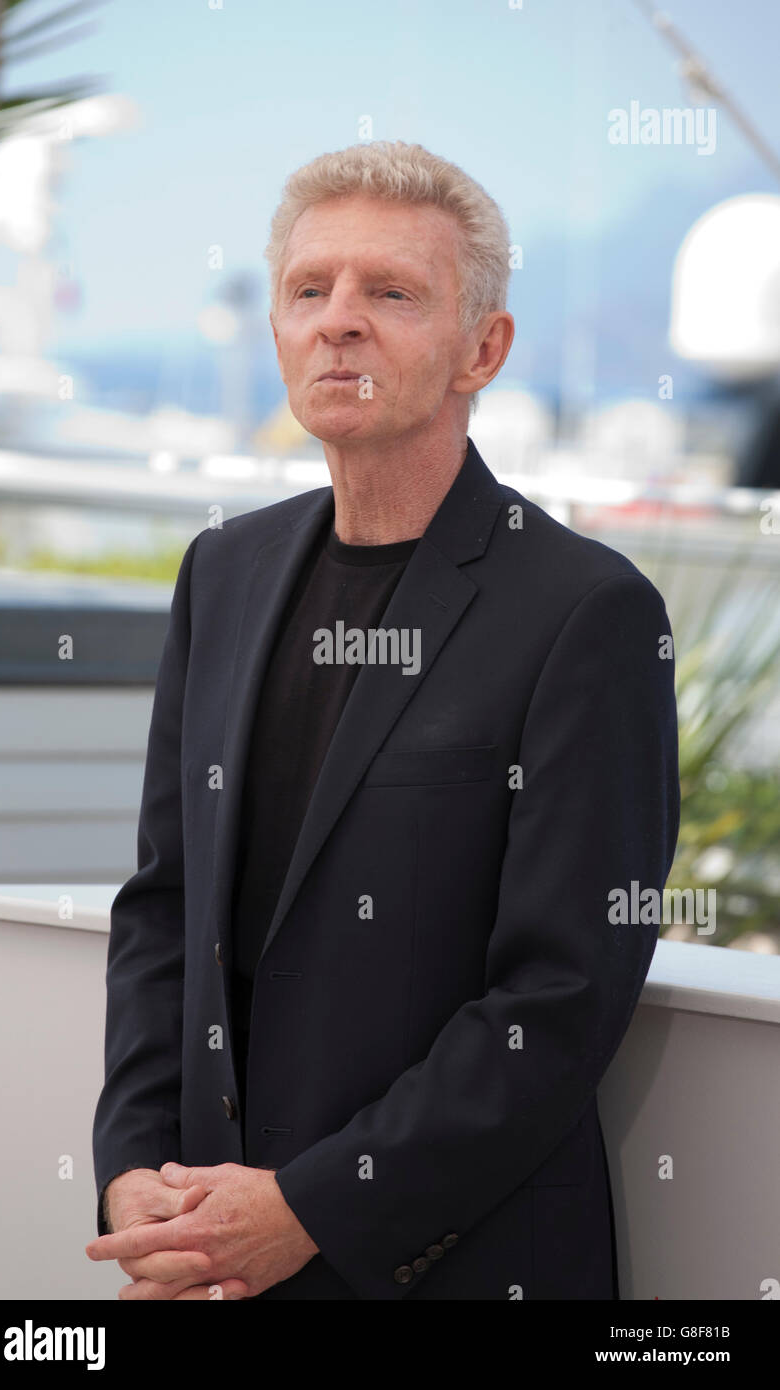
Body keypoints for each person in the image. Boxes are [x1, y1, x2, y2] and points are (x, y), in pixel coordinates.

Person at [88, 140, 680, 1300]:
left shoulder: (587, 612)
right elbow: (163, 911)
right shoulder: (224, 570)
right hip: (204, 1260)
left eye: (392, 293)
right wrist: (132, 1174)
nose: (339, 322)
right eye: (310, 290)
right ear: (276, 330)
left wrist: (309, 1210)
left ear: (483, 349)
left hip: (450, 1266)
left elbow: (556, 1002)